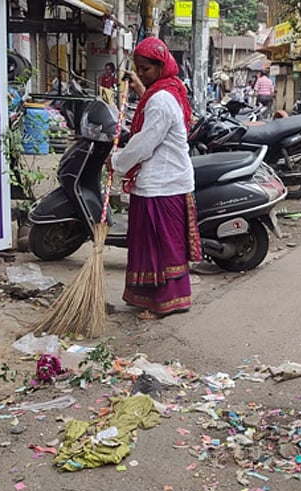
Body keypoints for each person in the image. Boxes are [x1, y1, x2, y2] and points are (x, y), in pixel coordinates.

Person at [110, 37, 199, 320]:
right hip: (166, 178)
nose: (144, 73)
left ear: (161, 66)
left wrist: (115, 161)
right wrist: (137, 83)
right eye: (139, 68)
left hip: (162, 182)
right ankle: (152, 297)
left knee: (160, 247)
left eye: (147, 69)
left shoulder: (161, 99)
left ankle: (165, 301)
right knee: (156, 245)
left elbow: (145, 142)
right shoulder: (169, 89)